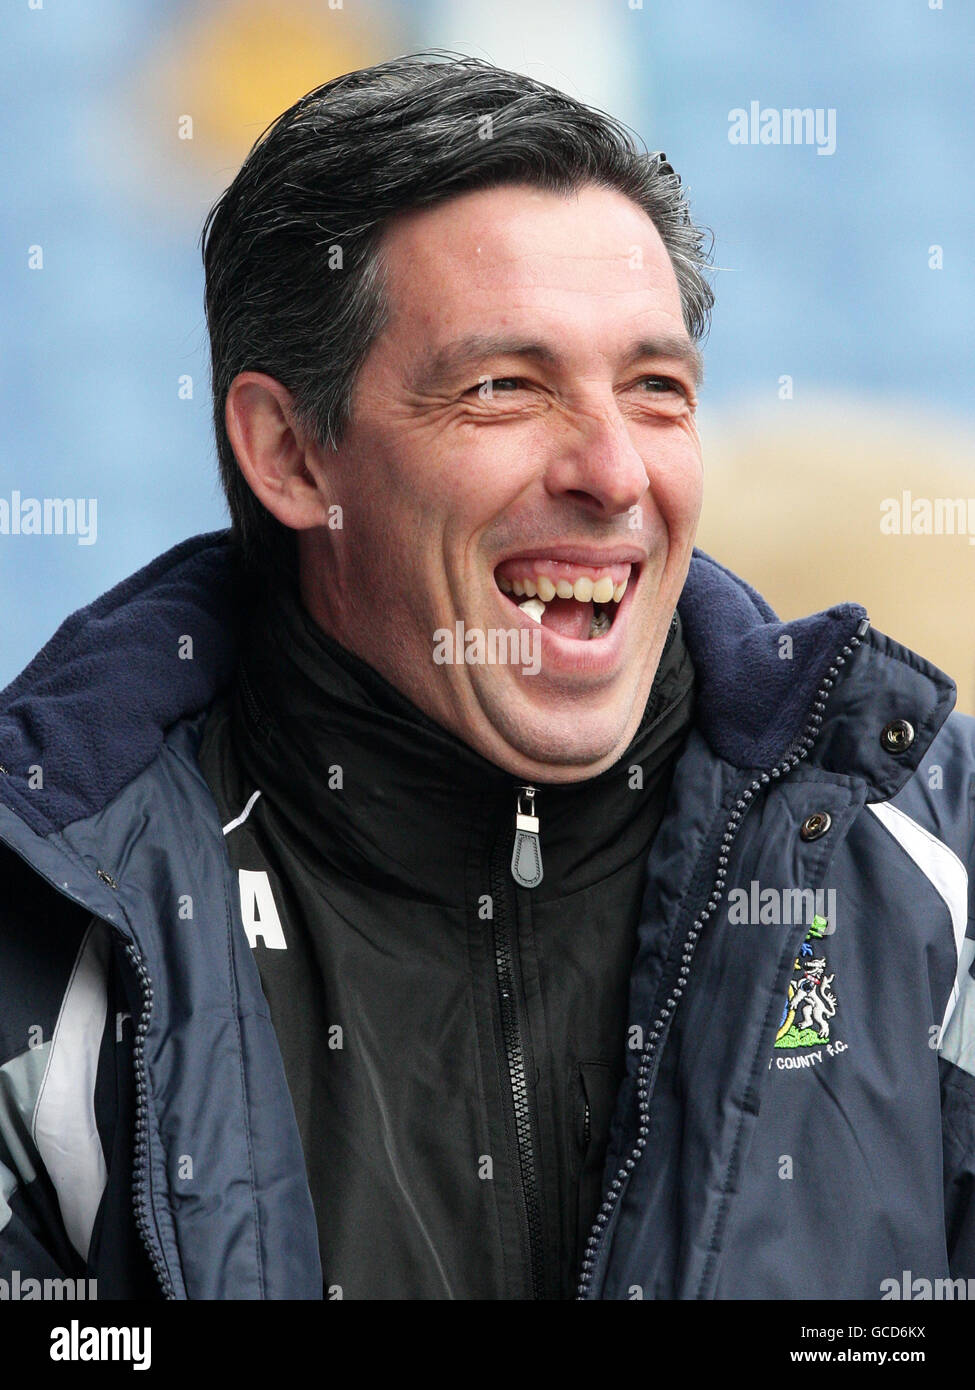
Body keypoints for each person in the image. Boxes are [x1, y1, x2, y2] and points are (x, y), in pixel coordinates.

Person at [0, 53, 972, 1303]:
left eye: (656, 390)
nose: (616, 474)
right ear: (290, 454)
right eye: (504, 388)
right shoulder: (52, 914)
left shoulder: (929, 866)